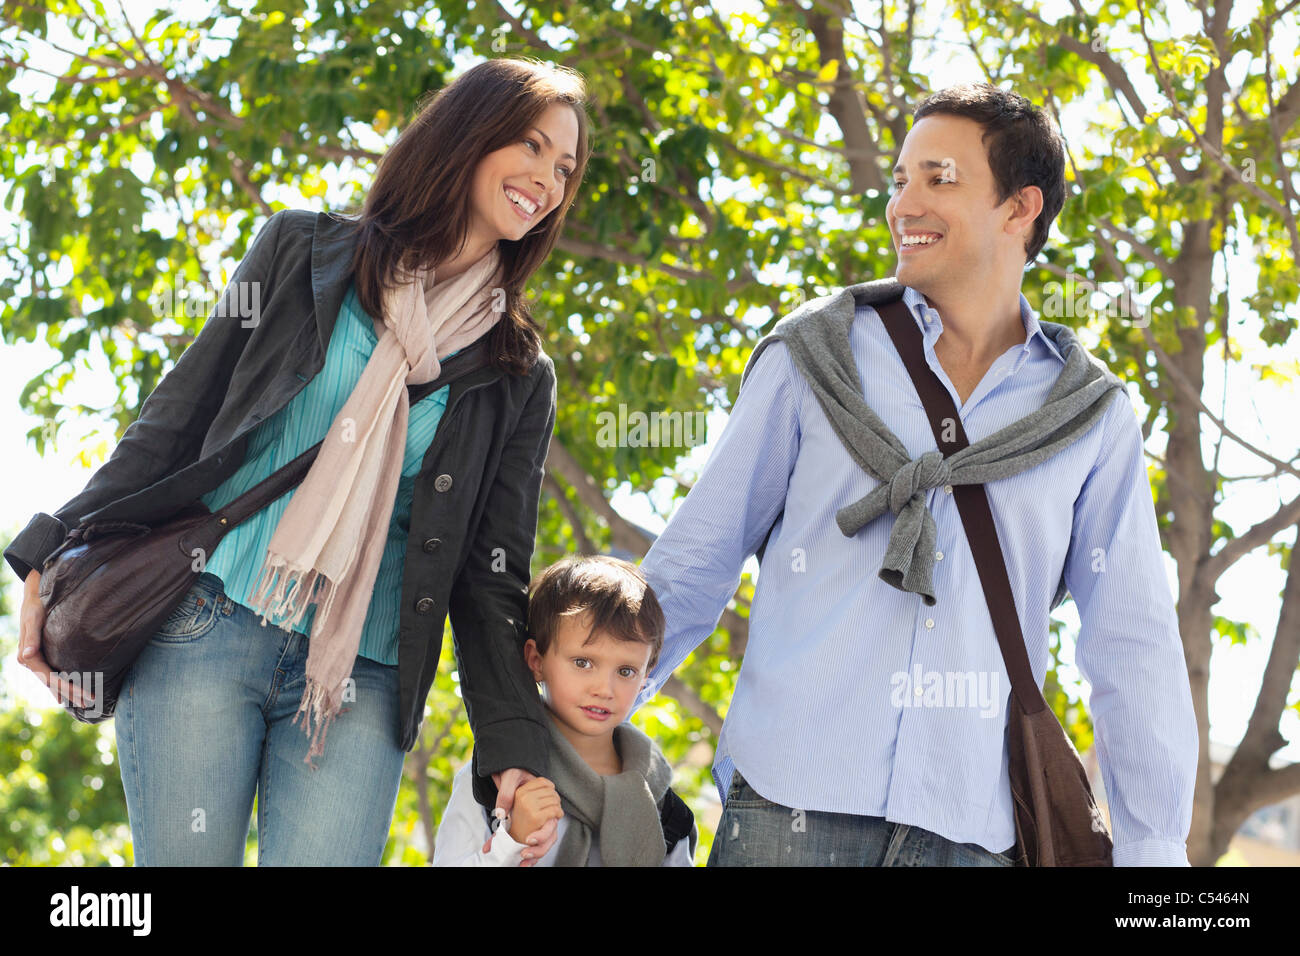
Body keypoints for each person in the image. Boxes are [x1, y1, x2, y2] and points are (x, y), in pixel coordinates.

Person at [6, 57, 591, 866]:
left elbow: (491, 577)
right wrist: (47, 549)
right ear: (468, 133)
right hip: (205, 626)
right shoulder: (304, 254)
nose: (548, 179)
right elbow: (175, 421)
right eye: (531, 146)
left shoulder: (517, 373)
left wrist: (514, 749)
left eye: (565, 168)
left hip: (365, 675)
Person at [631, 83, 1198, 866]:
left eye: (939, 179)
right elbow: (696, 561)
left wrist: (1155, 855)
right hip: (788, 810)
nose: (904, 205)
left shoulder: (1089, 415)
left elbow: (1131, 644)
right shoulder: (814, 354)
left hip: (972, 830)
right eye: (900, 181)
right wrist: (573, 732)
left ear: (1019, 208)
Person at [432, 555, 697, 866]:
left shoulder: (666, 815)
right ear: (536, 661)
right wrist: (513, 842)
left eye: (625, 671)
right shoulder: (495, 783)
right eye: (583, 663)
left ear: (644, 679)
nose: (604, 689)